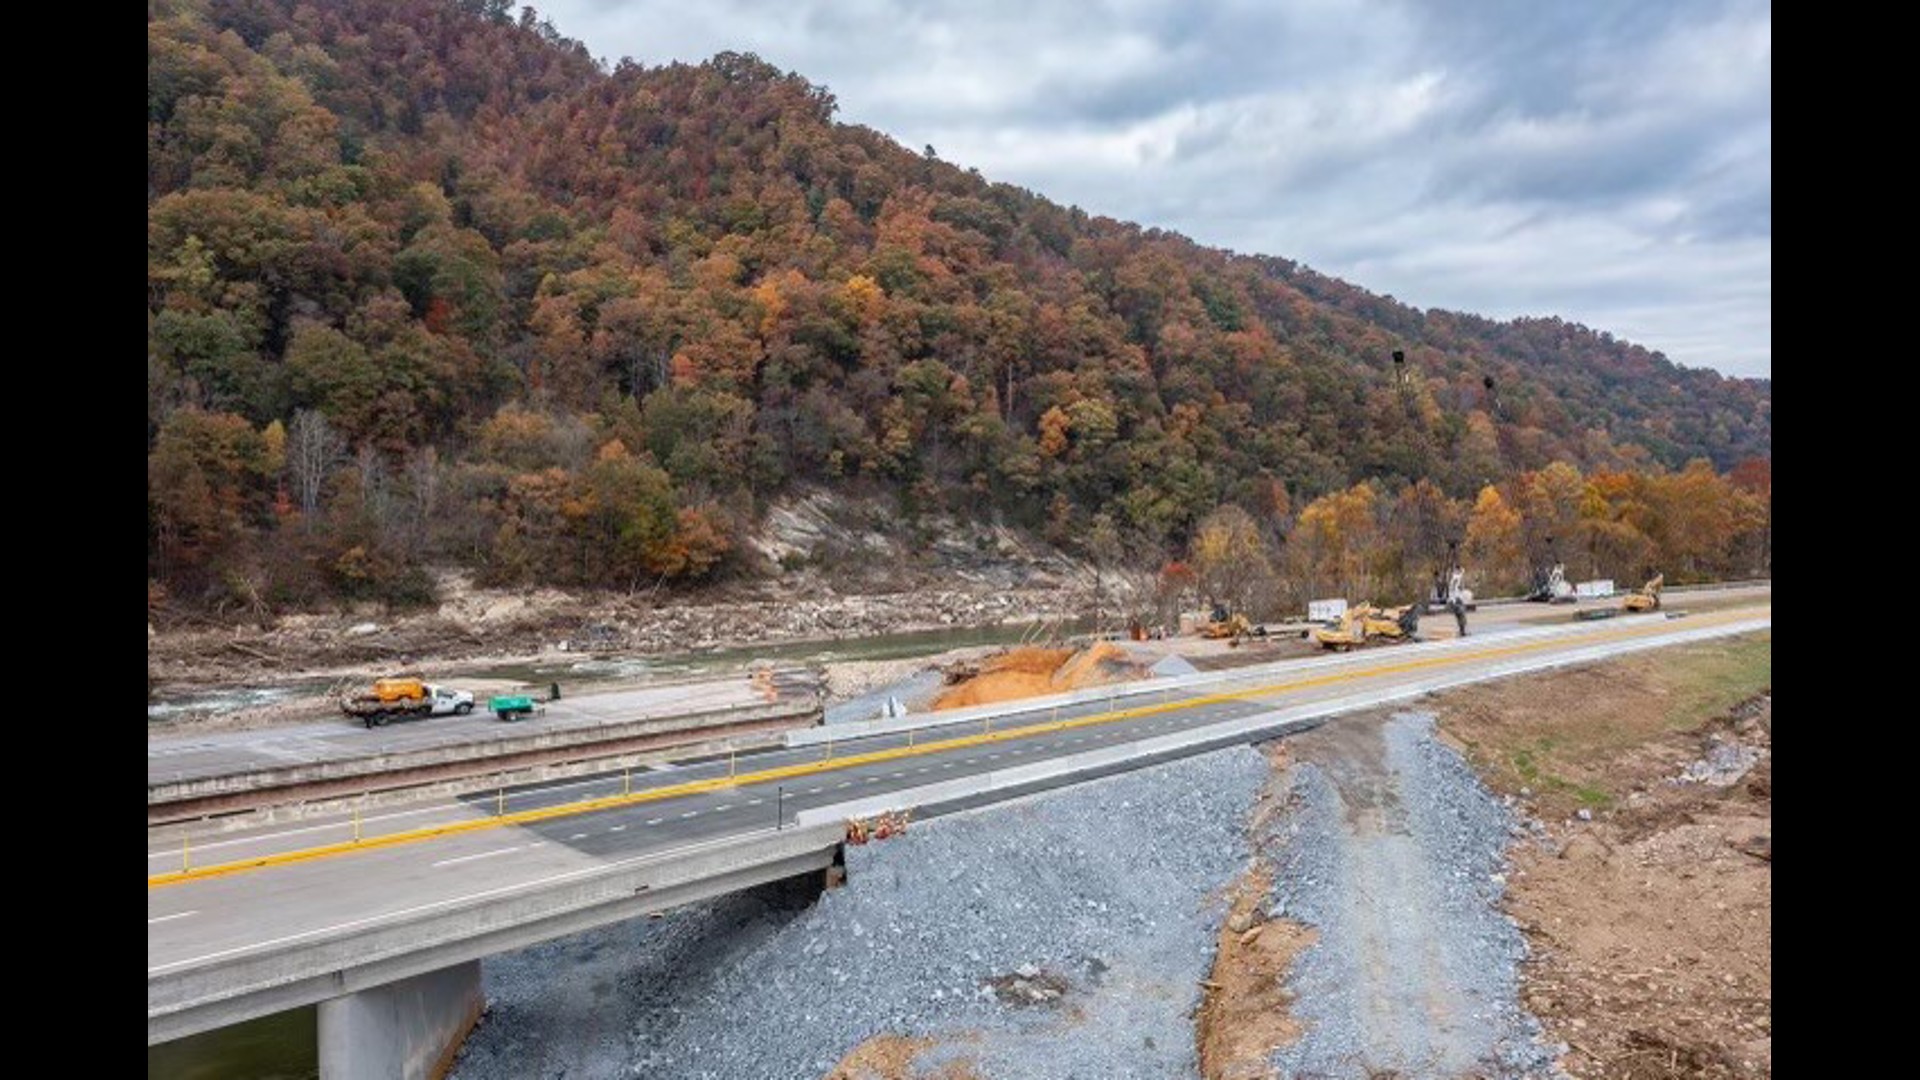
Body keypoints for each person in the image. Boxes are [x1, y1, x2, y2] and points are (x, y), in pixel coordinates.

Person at [1447, 566, 1469, 637]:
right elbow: (1460, 586)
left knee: (1459, 616)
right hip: (1456, 599)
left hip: (1453, 600)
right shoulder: (1458, 578)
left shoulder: (1453, 578)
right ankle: (1462, 631)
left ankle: (1462, 631)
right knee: (1462, 616)